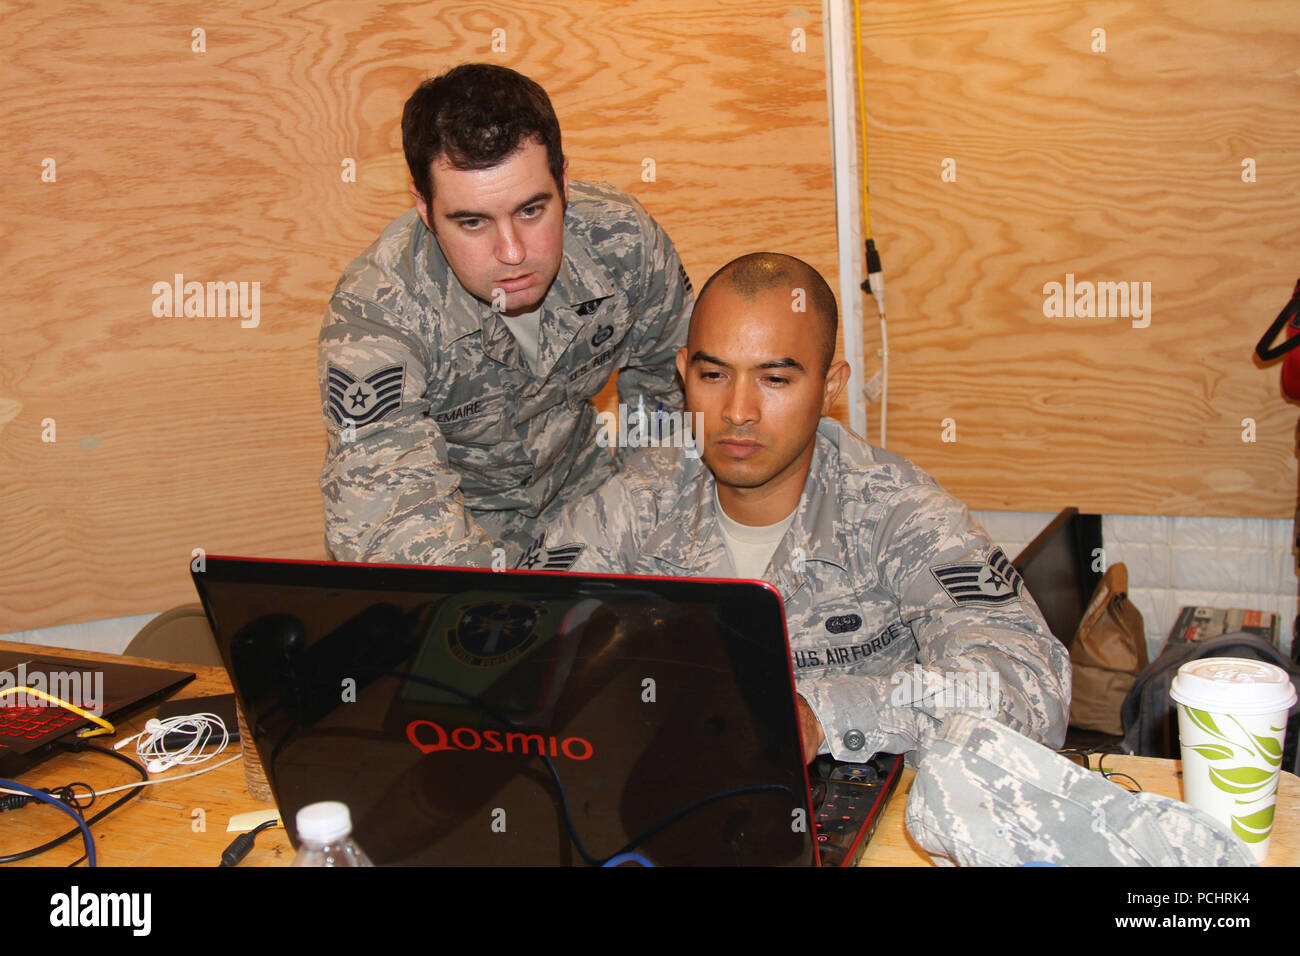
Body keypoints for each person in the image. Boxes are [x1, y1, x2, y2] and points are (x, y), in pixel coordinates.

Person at [529, 253, 1070, 764]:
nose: (738, 412)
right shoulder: (633, 504)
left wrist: (822, 718)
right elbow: (522, 660)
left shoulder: (899, 515)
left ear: (829, 387)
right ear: (683, 373)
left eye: (776, 379)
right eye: (713, 375)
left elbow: (1030, 690)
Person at [318, 64, 692, 568]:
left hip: (586, 508)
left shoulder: (621, 245)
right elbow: (391, 516)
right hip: (452, 536)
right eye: (472, 222)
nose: (512, 252)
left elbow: (669, 395)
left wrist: (632, 528)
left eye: (531, 210)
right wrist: (496, 613)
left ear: (562, 182)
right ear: (424, 209)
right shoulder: (378, 311)